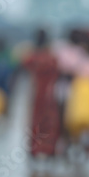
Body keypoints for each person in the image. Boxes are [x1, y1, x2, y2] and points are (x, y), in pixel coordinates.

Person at [23, 29, 62, 159]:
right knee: (50, 122)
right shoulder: (52, 57)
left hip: (37, 94)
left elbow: (24, 65)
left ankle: (35, 150)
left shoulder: (32, 57)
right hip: (49, 94)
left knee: (36, 121)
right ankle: (49, 150)